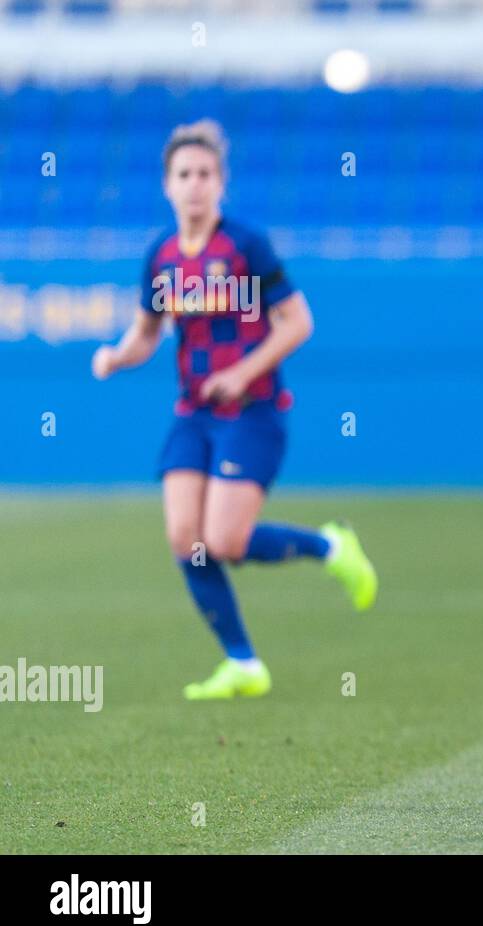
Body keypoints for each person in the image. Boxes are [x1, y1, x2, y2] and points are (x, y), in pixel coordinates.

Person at [91, 120, 377, 700]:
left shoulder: (245, 246)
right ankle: (243, 663)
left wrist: (243, 373)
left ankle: (330, 546)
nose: (195, 184)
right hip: (193, 414)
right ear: (167, 186)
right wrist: (119, 357)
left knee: (223, 541)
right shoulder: (162, 257)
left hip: (254, 411)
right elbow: (148, 332)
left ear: (221, 183)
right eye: (184, 174)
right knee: (183, 538)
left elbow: (298, 322)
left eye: (205, 173)